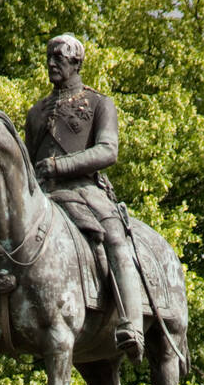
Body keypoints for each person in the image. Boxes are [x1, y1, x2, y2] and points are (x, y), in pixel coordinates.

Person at [25, 33, 145, 362]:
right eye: (49, 57)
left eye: (59, 58)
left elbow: (108, 151)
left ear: (76, 62)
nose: (51, 63)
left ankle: (131, 323)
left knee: (116, 240)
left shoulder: (98, 104)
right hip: (43, 195)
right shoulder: (36, 112)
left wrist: (58, 165)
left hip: (84, 191)